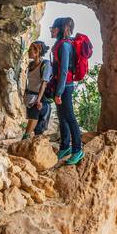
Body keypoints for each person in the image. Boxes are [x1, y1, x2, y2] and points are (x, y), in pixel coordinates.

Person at [50, 17, 83, 165]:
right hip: (61, 85)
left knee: (69, 117)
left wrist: (59, 92)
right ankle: (65, 147)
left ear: (60, 29)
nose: (51, 30)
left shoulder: (65, 46)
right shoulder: (62, 44)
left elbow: (64, 71)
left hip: (65, 86)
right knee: (62, 116)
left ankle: (77, 150)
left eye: (53, 27)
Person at [22, 40, 52, 139]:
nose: (28, 51)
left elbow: (44, 82)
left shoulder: (45, 64)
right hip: (31, 97)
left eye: (31, 49)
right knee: (36, 130)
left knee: (34, 120)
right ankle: (34, 146)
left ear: (37, 51)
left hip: (40, 98)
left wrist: (38, 100)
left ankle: (25, 139)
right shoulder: (30, 65)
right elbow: (29, 81)